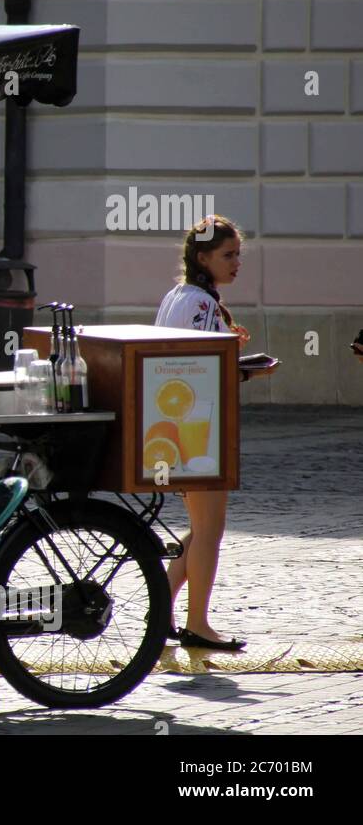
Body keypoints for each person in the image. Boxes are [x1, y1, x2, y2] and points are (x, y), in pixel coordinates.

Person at [154, 215, 277, 652]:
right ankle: (198, 624)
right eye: (228, 254)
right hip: (197, 428)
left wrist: (234, 356)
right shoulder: (202, 304)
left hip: (174, 425)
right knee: (210, 530)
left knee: (200, 528)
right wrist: (247, 373)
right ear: (204, 257)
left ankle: (162, 615)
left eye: (238, 253)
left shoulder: (179, 296)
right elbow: (205, 370)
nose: (237, 262)